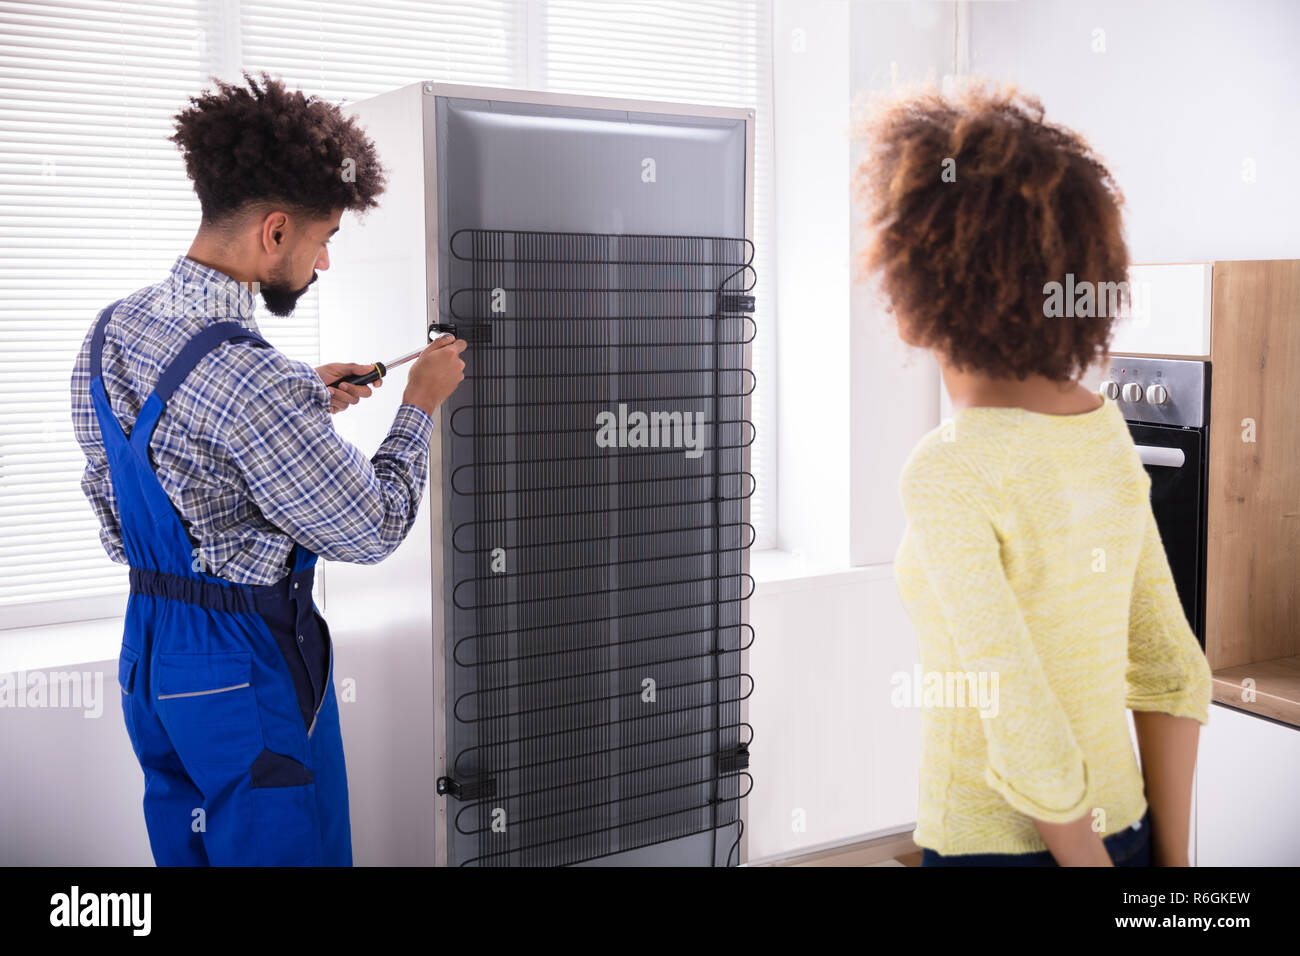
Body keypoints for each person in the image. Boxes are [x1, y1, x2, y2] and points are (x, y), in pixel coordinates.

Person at [69, 71, 467, 866]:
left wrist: (301, 404)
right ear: (276, 232)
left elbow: (129, 490)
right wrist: (419, 405)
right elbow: (374, 525)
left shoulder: (112, 330)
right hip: (248, 668)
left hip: (152, 659)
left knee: (190, 852)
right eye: (322, 242)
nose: (321, 266)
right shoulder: (258, 383)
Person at [853, 81, 1212, 866]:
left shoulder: (950, 471)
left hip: (1004, 850)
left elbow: (1020, 716)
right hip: (1129, 834)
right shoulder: (1104, 430)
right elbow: (1172, 666)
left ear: (920, 279)